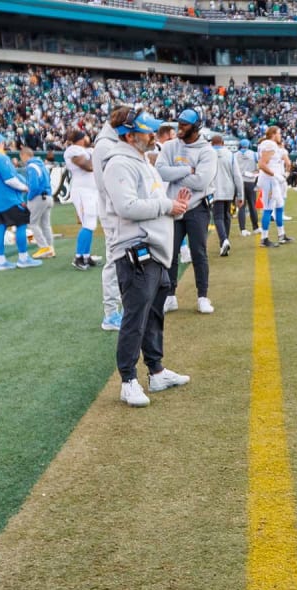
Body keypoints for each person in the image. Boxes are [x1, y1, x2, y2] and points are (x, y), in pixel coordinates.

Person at [102, 111, 192, 408]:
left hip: (155, 248)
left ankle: (156, 371)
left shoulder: (140, 160)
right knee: (135, 317)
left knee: (153, 314)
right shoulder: (119, 164)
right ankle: (128, 380)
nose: (153, 135)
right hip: (137, 250)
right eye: (146, 132)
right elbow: (127, 206)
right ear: (130, 135)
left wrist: (173, 206)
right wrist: (168, 206)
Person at [157, 108, 217, 314]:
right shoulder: (170, 146)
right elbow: (160, 171)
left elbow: (201, 182)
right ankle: (170, 296)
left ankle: (203, 297)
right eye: (178, 123)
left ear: (196, 126)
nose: (179, 128)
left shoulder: (207, 151)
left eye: (184, 124)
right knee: (170, 253)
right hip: (173, 206)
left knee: (199, 252)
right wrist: (186, 170)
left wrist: (174, 173)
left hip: (196, 207)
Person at [94, 106, 130, 332]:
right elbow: (104, 185)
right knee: (113, 261)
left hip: (117, 211)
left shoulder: (111, 142)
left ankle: (119, 308)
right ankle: (110, 313)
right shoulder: (105, 145)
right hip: (112, 212)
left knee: (121, 259)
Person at [0, 133, 41, 271]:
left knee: (0, 228)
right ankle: (23, 258)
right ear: (2, 143)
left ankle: (0, 261)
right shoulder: (1, 158)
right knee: (21, 224)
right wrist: (24, 187)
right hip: (7, 200)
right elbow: (9, 179)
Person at [64, 129, 102, 270]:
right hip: (82, 191)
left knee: (91, 224)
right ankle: (79, 257)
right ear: (81, 138)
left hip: (90, 191)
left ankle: (86, 255)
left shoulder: (85, 150)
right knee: (88, 224)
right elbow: (88, 166)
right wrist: (95, 156)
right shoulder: (73, 150)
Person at [256, 125, 292, 247]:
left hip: (273, 180)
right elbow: (261, 164)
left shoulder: (272, 145)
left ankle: (281, 235)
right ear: (273, 134)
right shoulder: (269, 144)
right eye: (279, 133)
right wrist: (275, 175)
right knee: (268, 208)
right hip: (269, 180)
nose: (280, 135)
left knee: (279, 205)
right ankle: (264, 238)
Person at [209, 133, 245, 256]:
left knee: (218, 217)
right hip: (229, 190)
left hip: (214, 189)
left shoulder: (208, 154)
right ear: (223, 143)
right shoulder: (230, 155)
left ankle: (224, 240)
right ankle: (224, 242)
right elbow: (237, 176)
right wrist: (240, 195)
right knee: (226, 215)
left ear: (211, 144)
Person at [20, 146, 54, 260]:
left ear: (25, 155)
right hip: (48, 196)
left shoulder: (31, 166)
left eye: (21, 157)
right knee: (45, 224)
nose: (22, 160)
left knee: (32, 223)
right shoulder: (41, 164)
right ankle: (50, 248)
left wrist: (29, 197)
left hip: (39, 197)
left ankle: (44, 247)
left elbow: (33, 185)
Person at [235, 138, 261, 236]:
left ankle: (243, 229)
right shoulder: (254, 154)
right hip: (250, 181)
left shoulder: (235, 155)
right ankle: (255, 227)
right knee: (252, 205)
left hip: (239, 182)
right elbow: (260, 167)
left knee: (241, 205)